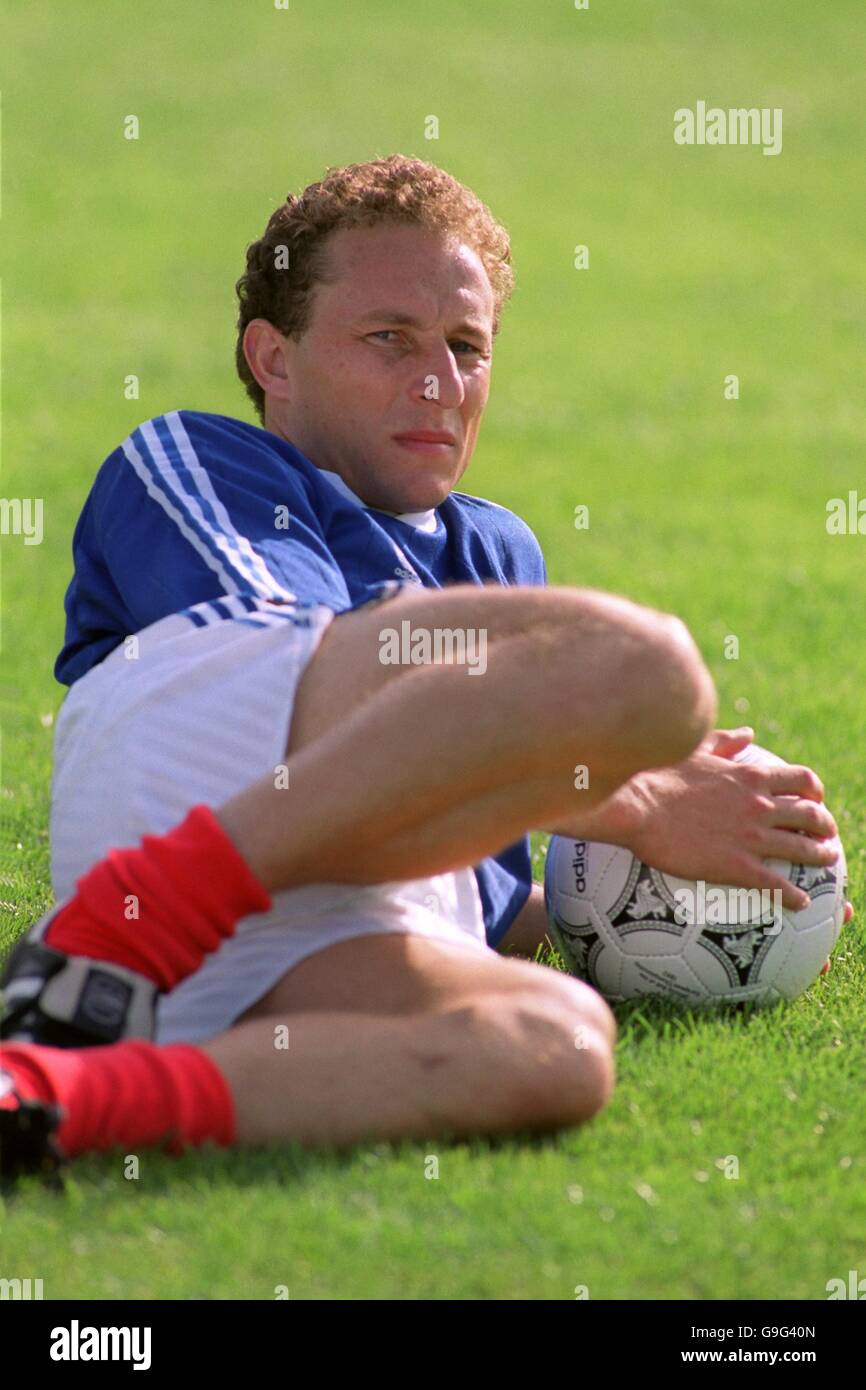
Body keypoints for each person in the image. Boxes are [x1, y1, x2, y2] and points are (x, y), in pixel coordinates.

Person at [0, 156, 845, 1178]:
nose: (439, 383)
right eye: (388, 338)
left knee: (560, 1045)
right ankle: (108, 935)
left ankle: (58, 1092)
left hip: (329, 926)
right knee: (654, 670)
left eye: (464, 346)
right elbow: (353, 680)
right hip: (207, 808)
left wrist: (697, 899)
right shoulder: (204, 460)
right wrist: (640, 801)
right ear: (271, 356)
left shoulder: (497, 553)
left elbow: (468, 871)